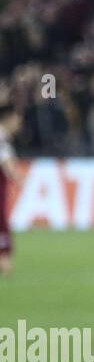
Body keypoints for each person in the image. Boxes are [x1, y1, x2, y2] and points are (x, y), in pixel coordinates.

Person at [0, 110, 20, 276]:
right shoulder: (2, 138)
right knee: (1, 223)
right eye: (16, 119)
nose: (19, 124)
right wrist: (19, 179)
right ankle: (4, 261)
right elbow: (7, 164)